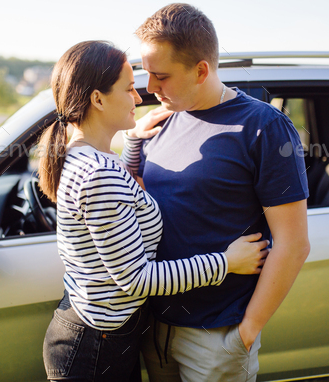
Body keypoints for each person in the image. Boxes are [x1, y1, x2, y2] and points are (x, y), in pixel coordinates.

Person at [37, 41, 270, 382]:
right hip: (95, 349)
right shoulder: (99, 173)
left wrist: (133, 143)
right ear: (98, 99)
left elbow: (122, 198)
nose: (138, 97)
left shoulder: (82, 157)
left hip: (97, 333)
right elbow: (136, 279)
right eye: (129, 88)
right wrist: (226, 262)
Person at [125, 4, 311, 381]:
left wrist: (245, 333)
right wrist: (131, 140)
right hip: (156, 327)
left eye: (160, 76)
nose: (149, 88)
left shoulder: (264, 127)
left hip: (217, 336)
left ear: (201, 70)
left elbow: (294, 244)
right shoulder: (162, 121)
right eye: (146, 74)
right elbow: (137, 197)